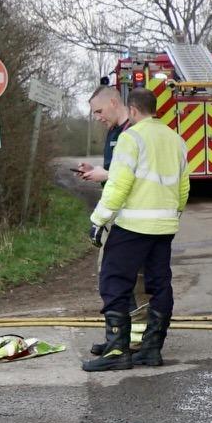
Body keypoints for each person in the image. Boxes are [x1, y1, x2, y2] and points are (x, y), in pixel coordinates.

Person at [83, 85, 189, 372]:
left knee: (114, 282)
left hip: (133, 226)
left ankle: (118, 350)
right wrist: (172, 215)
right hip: (165, 226)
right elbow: (183, 187)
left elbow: (118, 184)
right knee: (159, 284)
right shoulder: (176, 140)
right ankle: (151, 350)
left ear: (131, 109)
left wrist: (98, 220)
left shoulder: (131, 138)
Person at [77, 77, 126, 184]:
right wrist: (93, 171)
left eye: (99, 111)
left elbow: (143, 175)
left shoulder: (137, 130)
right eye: (95, 114)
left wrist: (107, 175)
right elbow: (115, 169)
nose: (98, 118)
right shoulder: (112, 130)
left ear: (113, 103)